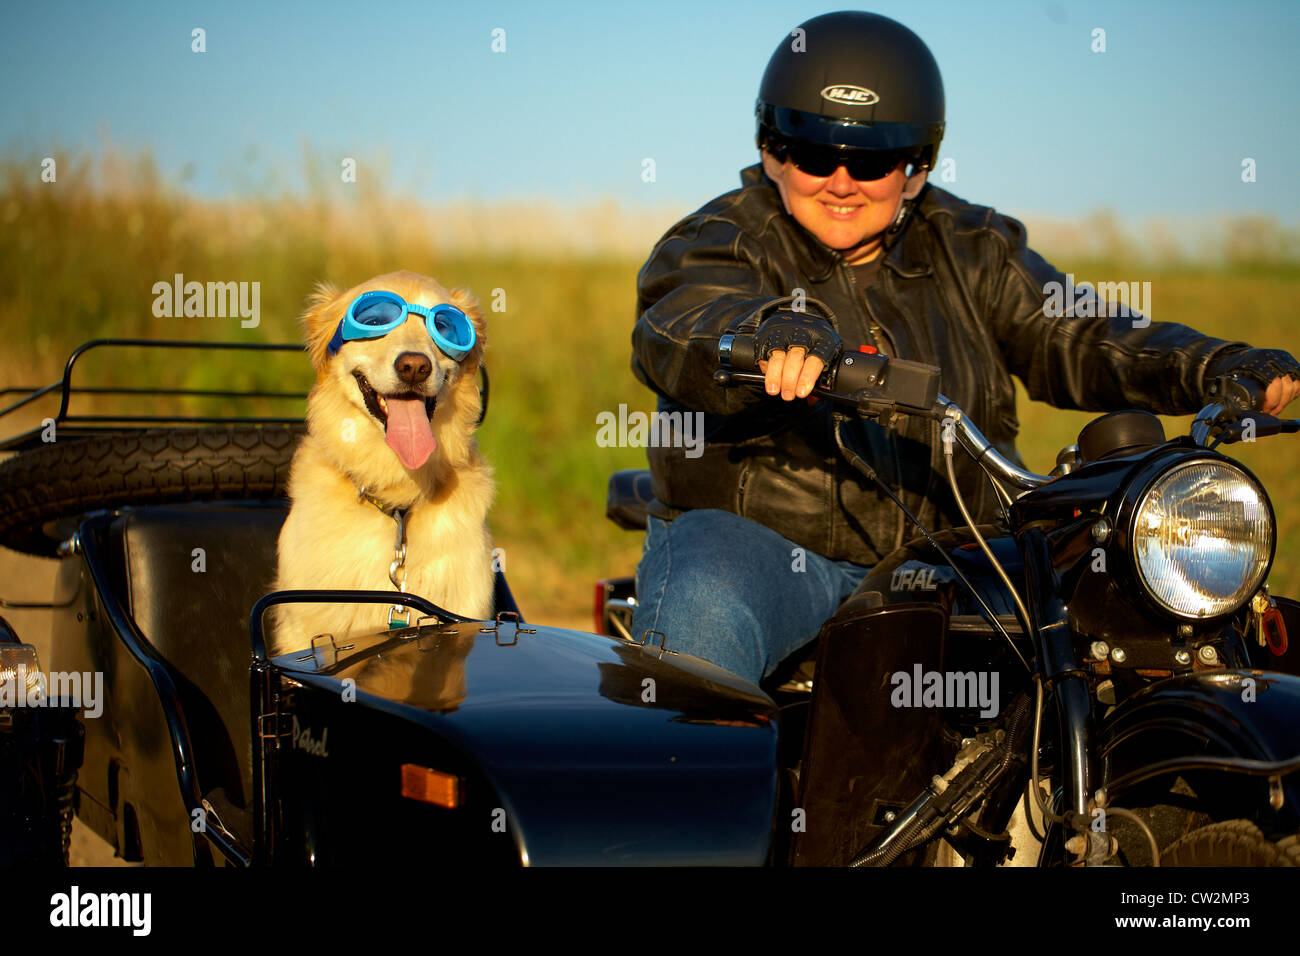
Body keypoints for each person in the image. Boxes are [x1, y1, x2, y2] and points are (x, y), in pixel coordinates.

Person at [628, 10, 1300, 685]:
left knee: (1148, 619)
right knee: (706, 596)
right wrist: (770, 332)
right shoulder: (717, 239)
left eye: (870, 160)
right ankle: (684, 780)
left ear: (916, 165)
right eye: (811, 154)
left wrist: (1213, 365)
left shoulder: (971, 246)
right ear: (773, 150)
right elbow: (680, 322)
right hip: (765, 549)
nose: (840, 181)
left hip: (956, 554)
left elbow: (1077, 332)